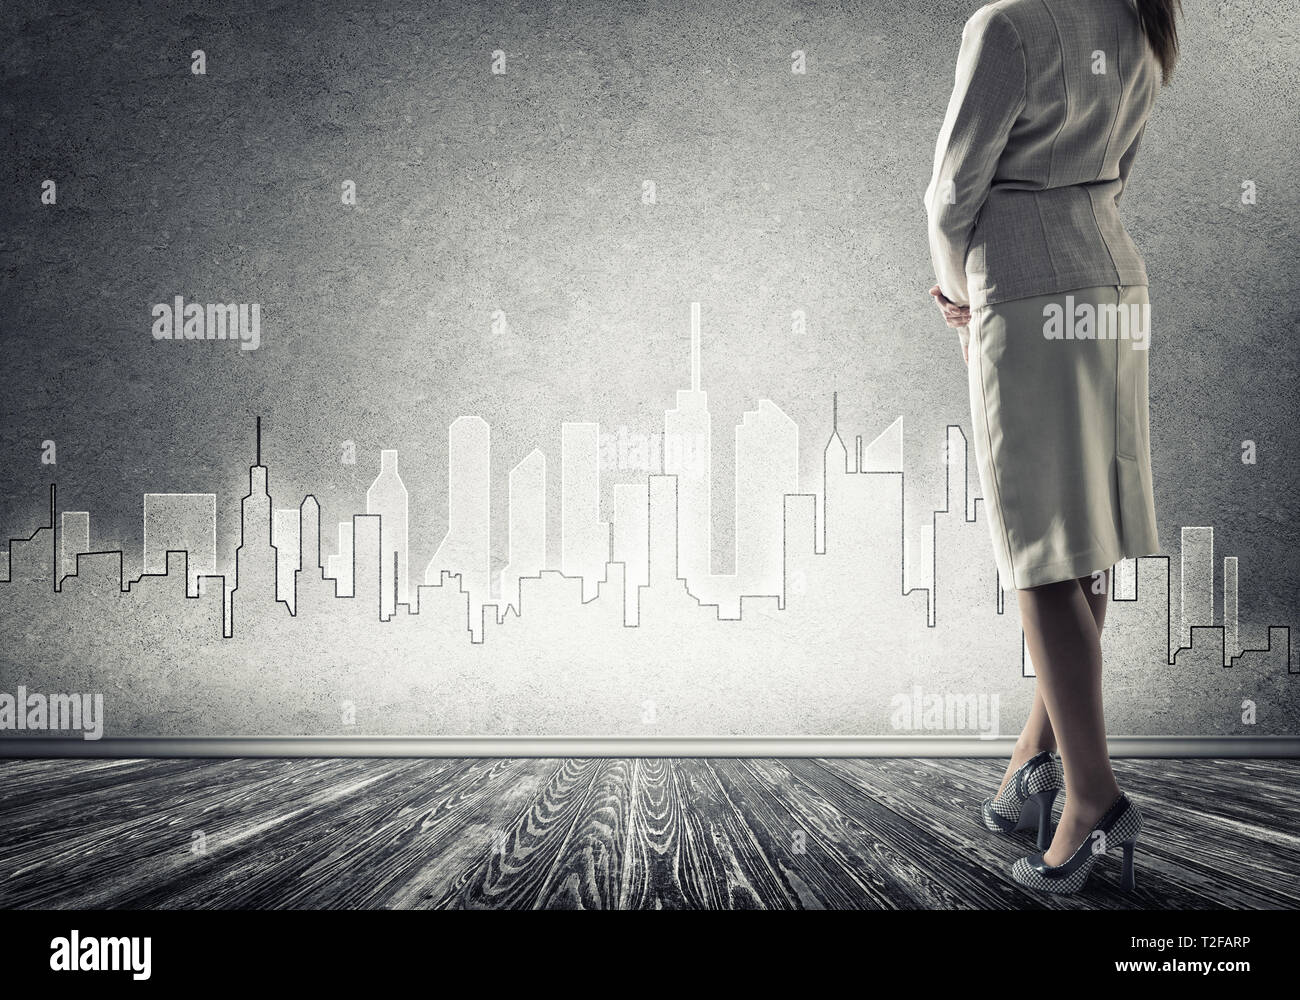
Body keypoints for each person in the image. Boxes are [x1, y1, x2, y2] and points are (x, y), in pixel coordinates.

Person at [924, 0, 1181, 895]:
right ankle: (1032, 769)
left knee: (1039, 549)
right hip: (1114, 283)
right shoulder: (1142, 17)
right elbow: (1121, 167)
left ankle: (1093, 798)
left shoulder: (1007, 24)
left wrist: (958, 297)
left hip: (1027, 290)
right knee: (1085, 538)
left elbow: (955, 187)